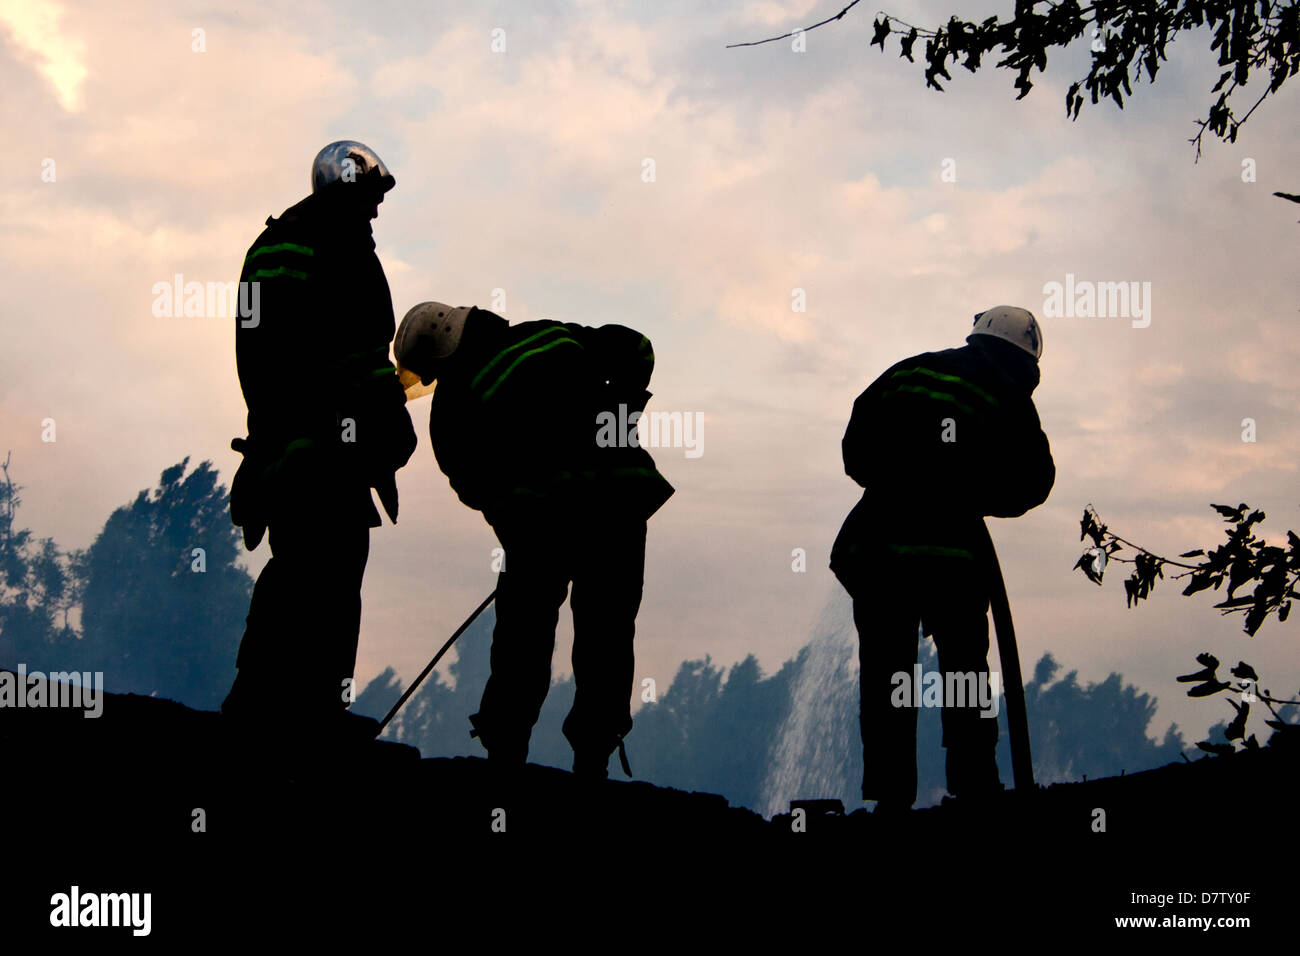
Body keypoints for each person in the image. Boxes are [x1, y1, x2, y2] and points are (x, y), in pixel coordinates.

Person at [394, 303, 674, 778]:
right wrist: (618, 416)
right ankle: (592, 760)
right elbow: (638, 346)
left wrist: (522, 533)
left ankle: (505, 758)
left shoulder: (452, 409)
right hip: (616, 507)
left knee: (523, 636)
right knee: (606, 633)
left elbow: (474, 488)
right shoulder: (552, 334)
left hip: (542, 525)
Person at [223, 141, 417, 741]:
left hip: (283, 441)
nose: (377, 214)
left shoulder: (272, 245)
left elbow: (260, 352)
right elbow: (359, 352)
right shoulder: (341, 246)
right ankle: (310, 711)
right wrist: (388, 419)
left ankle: (260, 701)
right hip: (329, 442)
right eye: (372, 200)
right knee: (331, 573)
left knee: (298, 567)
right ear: (348, 190)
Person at [830, 306, 1054, 811]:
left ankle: (890, 800)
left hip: (878, 549)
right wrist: (971, 495)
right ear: (1026, 362)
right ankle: (976, 787)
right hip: (952, 556)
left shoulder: (909, 369)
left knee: (889, 674)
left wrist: (899, 481)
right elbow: (1034, 482)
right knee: (966, 672)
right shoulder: (1009, 393)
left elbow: (855, 447)